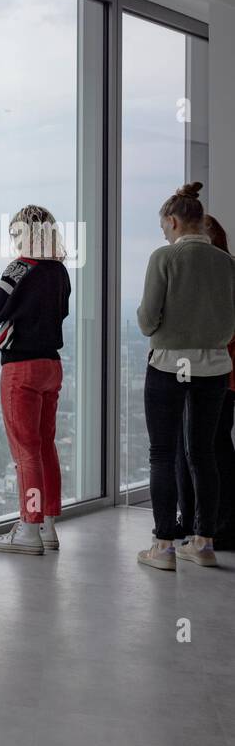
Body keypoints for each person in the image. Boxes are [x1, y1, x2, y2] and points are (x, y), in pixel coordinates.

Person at [136, 182, 235, 570]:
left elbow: (147, 320)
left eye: (164, 227)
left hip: (167, 365)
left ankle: (163, 548)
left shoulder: (164, 258)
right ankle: (204, 542)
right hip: (214, 367)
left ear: (174, 221)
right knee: (204, 453)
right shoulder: (226, 263)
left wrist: (165, 330)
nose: (164, 233)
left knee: (162, 454)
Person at [0, 206, 71, 554]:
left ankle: (28, 530)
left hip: (21, 368)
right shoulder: (60, 271)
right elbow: (60, 312)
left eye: (17, 234)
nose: (14, 241)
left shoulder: (20, 267)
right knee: (46, 446)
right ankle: (47, 525)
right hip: (52, 366)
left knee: (25, 452)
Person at [174, 214, 235, 549]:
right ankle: (205, 522)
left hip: (210, 372)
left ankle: (207, 523)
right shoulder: (226, 269)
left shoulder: (213, 273)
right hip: (219, 372)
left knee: (202, 449)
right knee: (209, 447)